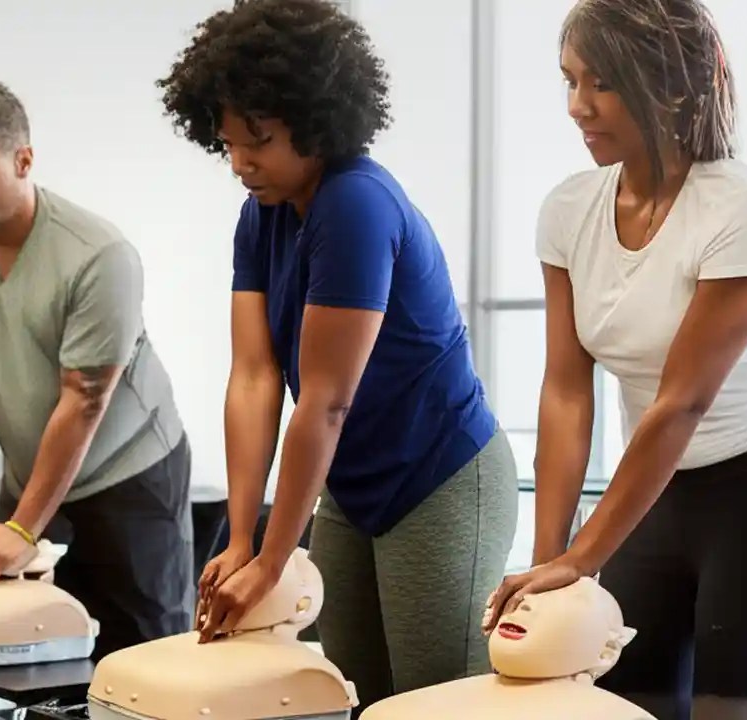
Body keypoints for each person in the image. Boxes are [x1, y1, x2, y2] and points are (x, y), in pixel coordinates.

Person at [155, 0, 518, 712]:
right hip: (350, 485)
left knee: (434, 701)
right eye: (227, 142)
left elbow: (325, 399)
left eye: (257, 139)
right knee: (351, 695)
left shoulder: (356, 204)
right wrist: (243, 533)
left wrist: (271, 559)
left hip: (438, 477)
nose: (241, 162)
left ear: (315, 119)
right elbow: (256, 377)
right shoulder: (261, 212)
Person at [483, 1, 747, 718]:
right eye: (569, 81)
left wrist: (584, 556)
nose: (578, 106)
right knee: (626, 709)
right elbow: (565, 392)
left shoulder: (744, 208)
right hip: (655, 494)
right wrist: (554, 557)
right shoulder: (568, 209)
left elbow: (682, 400)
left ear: (667, 84)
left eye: (600, 83)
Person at [0, 80, 193, 661]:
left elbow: (84, 399)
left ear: (23, 160)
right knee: (29, 655)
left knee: (141, 658)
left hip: (128, 474)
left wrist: (22, 530)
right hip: (31, 475)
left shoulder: (97, 255)